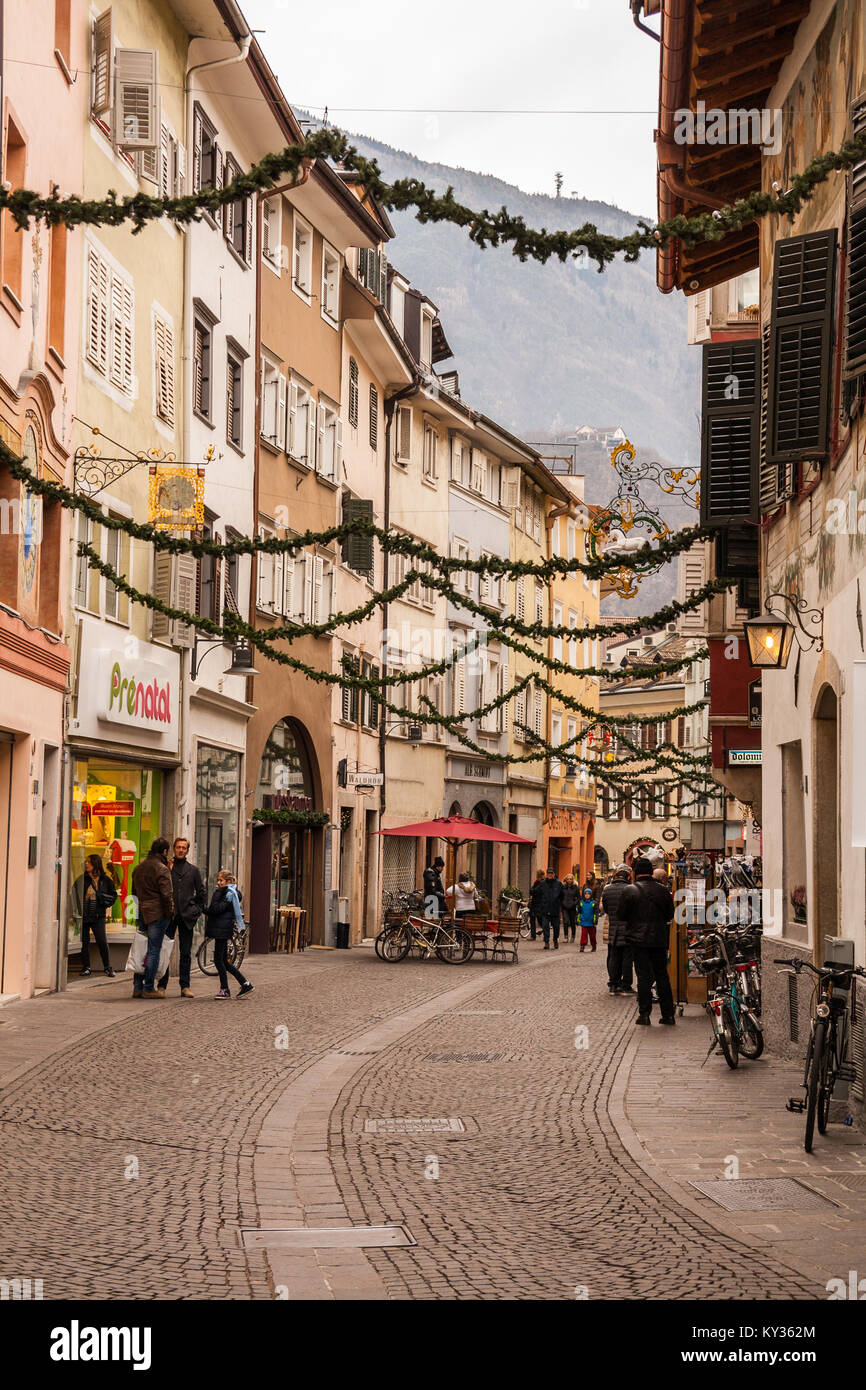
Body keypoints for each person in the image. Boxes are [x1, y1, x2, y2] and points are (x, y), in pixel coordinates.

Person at [619, 855, 676, 1026]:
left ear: (636, 873)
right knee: (662, 975)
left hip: (638, 940)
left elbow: (621, 915)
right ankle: (668, 1015)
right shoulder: (663, 890)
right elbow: (669, 915)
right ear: (651, 872)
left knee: (643, 977)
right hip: (659, 939)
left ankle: (644, 1014)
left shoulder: (629, 890)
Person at [157, 838, 206, 998]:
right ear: (173, 849)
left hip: (186, 916)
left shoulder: (193, 870)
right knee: (164, 951)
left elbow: (202, 893)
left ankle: (185, 986)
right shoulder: (166, 868)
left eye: (183, 848)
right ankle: (161, 985)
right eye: (178, 847)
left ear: (187, 850)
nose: (180, 850)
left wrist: (195, 911)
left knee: (185, 953)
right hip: (168, 916)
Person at [130, 838, 174, 999]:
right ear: (164, 851)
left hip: (141, 910)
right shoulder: (162, 869)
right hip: (157, 913)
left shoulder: (139, 868)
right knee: (153, 950)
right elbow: (167, 895)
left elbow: (133, 893)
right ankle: (148, 987)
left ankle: (137, 986)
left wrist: (135, 913)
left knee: (141, 948)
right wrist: (169, 913)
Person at [207, 870, 253, 1000]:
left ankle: (225, 989)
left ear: (228, 881)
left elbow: (216, 909)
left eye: (221, 880)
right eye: (218, 880)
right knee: (224, 962)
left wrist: (207, 908)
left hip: (222, 930)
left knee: (218, 960)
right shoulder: (231, 893)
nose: (218, 883)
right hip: (223, 929)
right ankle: (245, 983)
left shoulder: (227, 894)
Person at [72, 854, 118, 977]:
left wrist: (106, 905)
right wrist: (76, 912)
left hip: (98, 916)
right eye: (86, 862)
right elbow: (74, 894)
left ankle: (107, 967)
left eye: (89, 862)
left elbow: (113, 895)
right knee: (84, 942)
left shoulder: (105, 880)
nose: (86, 864)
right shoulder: (82, 879)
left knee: (102, 941)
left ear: (96, 864)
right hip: (84, 916)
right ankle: (86, 967)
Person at [602, 863, 635, 995]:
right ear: (628, 876)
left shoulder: (607, 889)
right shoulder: (631, 889)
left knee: (614, 957)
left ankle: (613, 984)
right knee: (627, 958)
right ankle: (626, 985)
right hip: (628, 928)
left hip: (613, 928)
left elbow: (605, 909)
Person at [536, 867, 563, 950]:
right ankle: (546, 942)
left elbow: (562, 895)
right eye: (548, 873)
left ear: (554, 874)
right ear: (547, 874)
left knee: (556, 927)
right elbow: (538, 893)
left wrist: (559, 904)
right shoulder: (542, 883)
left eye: (551, 873)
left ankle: (555, 940)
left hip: (555, 909)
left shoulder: (558, 883)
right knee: (545, 926)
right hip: (545, 908)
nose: (550, 875)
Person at [577, 885, 598, 951]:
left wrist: (595, 920)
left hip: (591, 922)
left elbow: (596, 913)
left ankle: (594, 945)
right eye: (585, 894)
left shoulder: (593, 903)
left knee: (592, 936)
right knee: (583, 935)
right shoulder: (581, 903)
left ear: (591, 895)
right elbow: (579, 912)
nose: (587, 895)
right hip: (583, 921)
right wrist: (578, 919)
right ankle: (582, 946)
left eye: (588, 894)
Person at [560, 873, 580, 942]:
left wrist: (574, 904)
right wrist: (562, 903)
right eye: (568, 879)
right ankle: (566, 937)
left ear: (573, 880)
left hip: (572, 907)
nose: (569, 880)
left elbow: (578, 898)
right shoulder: (562, 887)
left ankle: (573, 936)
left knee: (572, 922)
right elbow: (560, 897)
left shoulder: (576, 888)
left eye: (571, 879)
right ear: (566, 879)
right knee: (565, 922)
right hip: (564, 907)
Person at [528, 868, 545, 940]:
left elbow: (535, 891)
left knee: (539, 919)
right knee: (532, 919)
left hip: (539, 904)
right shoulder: (536, 882)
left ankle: (545, 931)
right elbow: (531, 891)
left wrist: (533, 891)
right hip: (534, 903)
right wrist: (533, 891)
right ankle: (533, 935)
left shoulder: (543, 883)